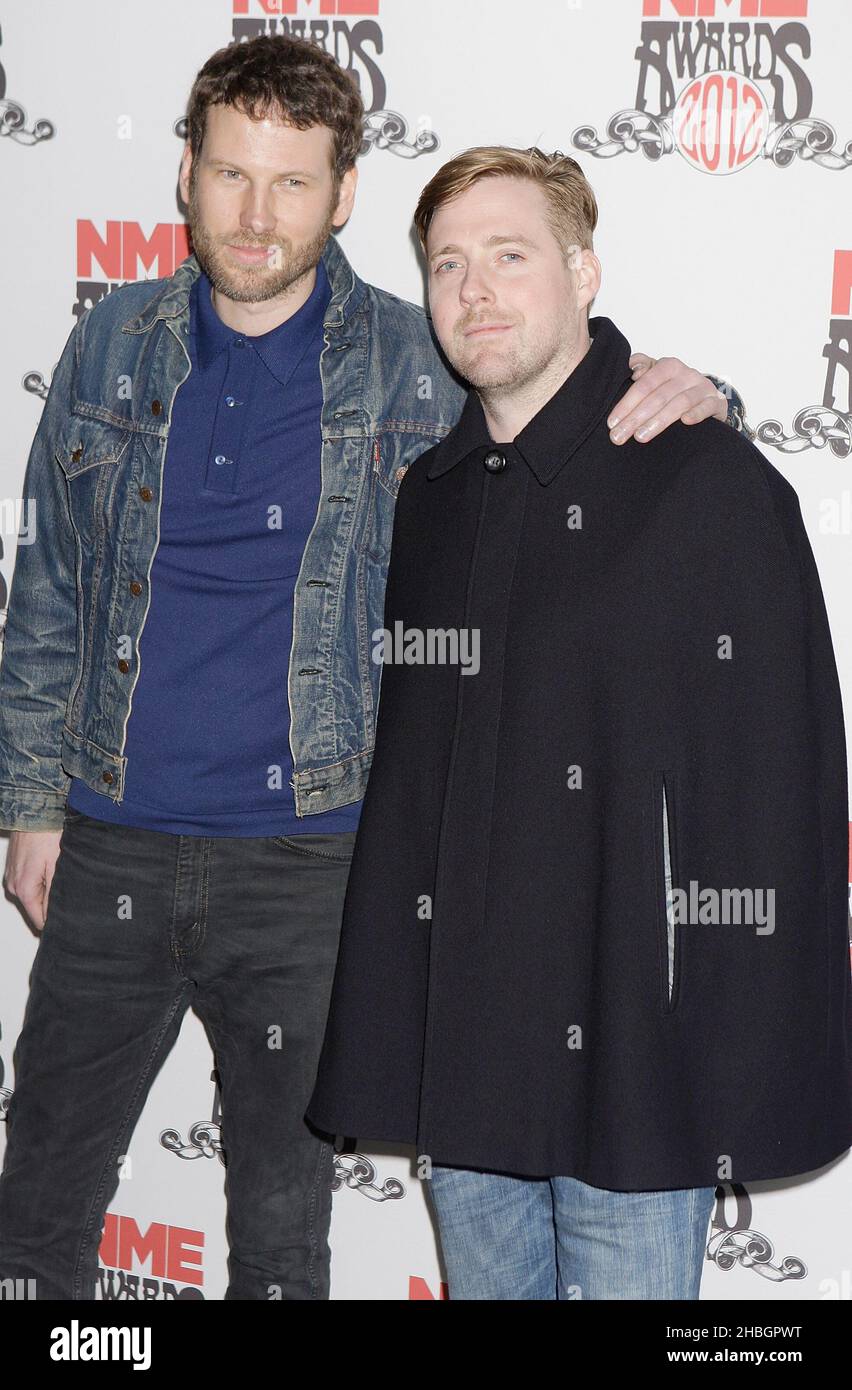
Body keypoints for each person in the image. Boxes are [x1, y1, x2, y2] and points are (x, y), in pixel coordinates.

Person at [0, 36, 746, 1301]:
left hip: (314, 862)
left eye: (290, 182)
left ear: (342, 193)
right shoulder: (110, 343)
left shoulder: (416, 356)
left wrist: (705, 390)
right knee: (34, 1234)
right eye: (231, 174)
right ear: (185, 173)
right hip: (109, 839)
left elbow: (561, 399)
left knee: (284, 1251)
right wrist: (27, 801)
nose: (255, 212)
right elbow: (53, 589)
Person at [306, 145, 852, 1300]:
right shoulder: (432, 501)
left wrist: (730, 1057)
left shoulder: (707, 480)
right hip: (468, 1077)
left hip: (636, 1086)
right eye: (447, 264)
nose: (476, 291)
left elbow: (777, 789)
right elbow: (411, 789)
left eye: (509, 256)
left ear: (585, 272)